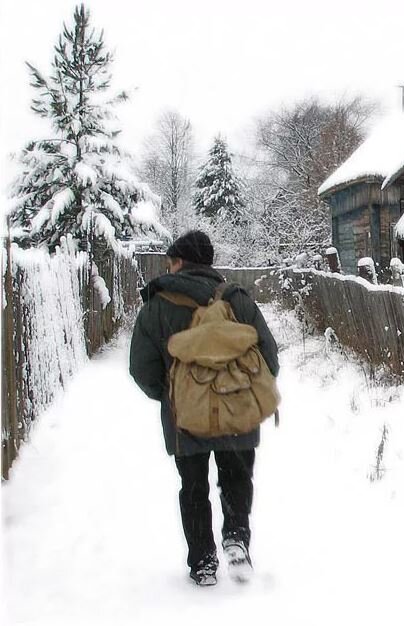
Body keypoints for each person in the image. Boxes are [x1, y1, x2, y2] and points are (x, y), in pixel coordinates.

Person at [129, 230, 279, 586]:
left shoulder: (157, 305)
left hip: (186, 417)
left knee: (193, 487)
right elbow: (269, 357)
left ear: (180, 261)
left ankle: (203, 562)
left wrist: (169, 395)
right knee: (236, 477)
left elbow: (142, 367)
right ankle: (236, 539)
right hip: (237, 408)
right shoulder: (238, 300)